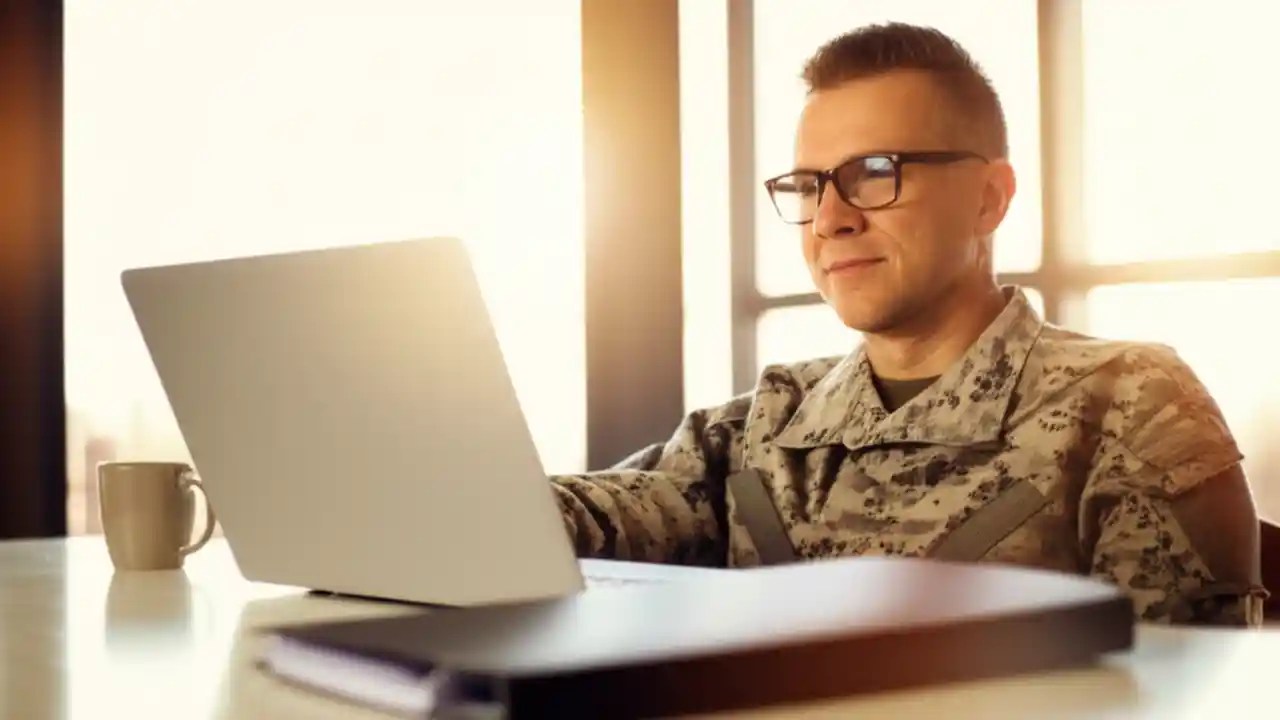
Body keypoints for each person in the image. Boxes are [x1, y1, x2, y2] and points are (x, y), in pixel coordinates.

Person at [551, 22, 1266, 625]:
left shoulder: (1130, 405)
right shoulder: (757, 432)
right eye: (810, 185)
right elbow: (563, 521)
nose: (831, 219)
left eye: (874, 172)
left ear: (988, 198)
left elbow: (1184, 692)